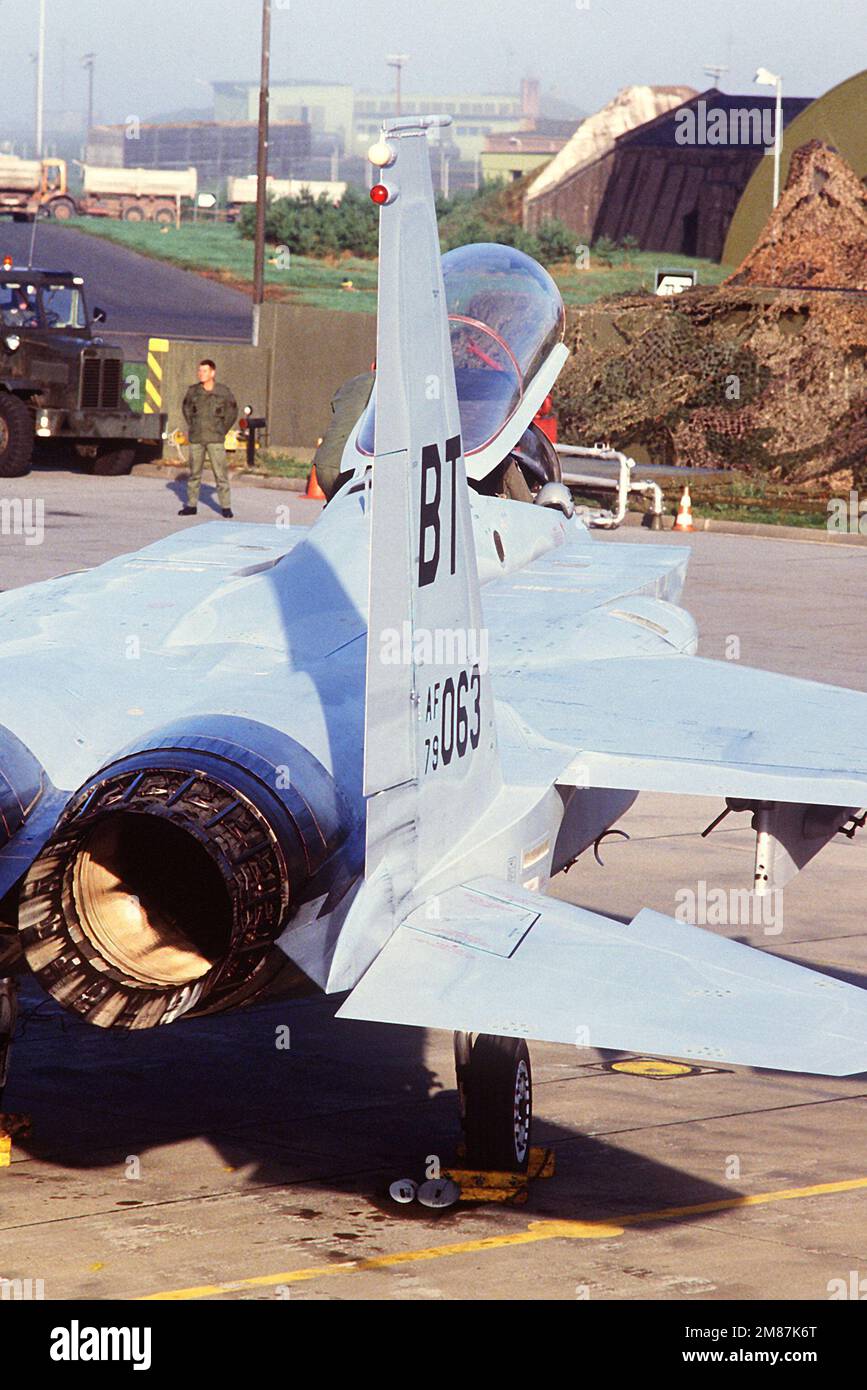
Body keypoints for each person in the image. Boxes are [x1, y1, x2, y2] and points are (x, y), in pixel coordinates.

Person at [178, 359, 238, 517]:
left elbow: (232, 412)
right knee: (194, 473)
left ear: (212, 373)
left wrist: (221, 430)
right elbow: (186, 409)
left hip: (215, 438)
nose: (200, 374)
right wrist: (193, 426)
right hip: (197, 437)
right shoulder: (193, 391)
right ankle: (191, 505)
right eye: (199, 371)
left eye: (204, 371)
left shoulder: (223, 392)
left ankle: (226, 506)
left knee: (220, 474)